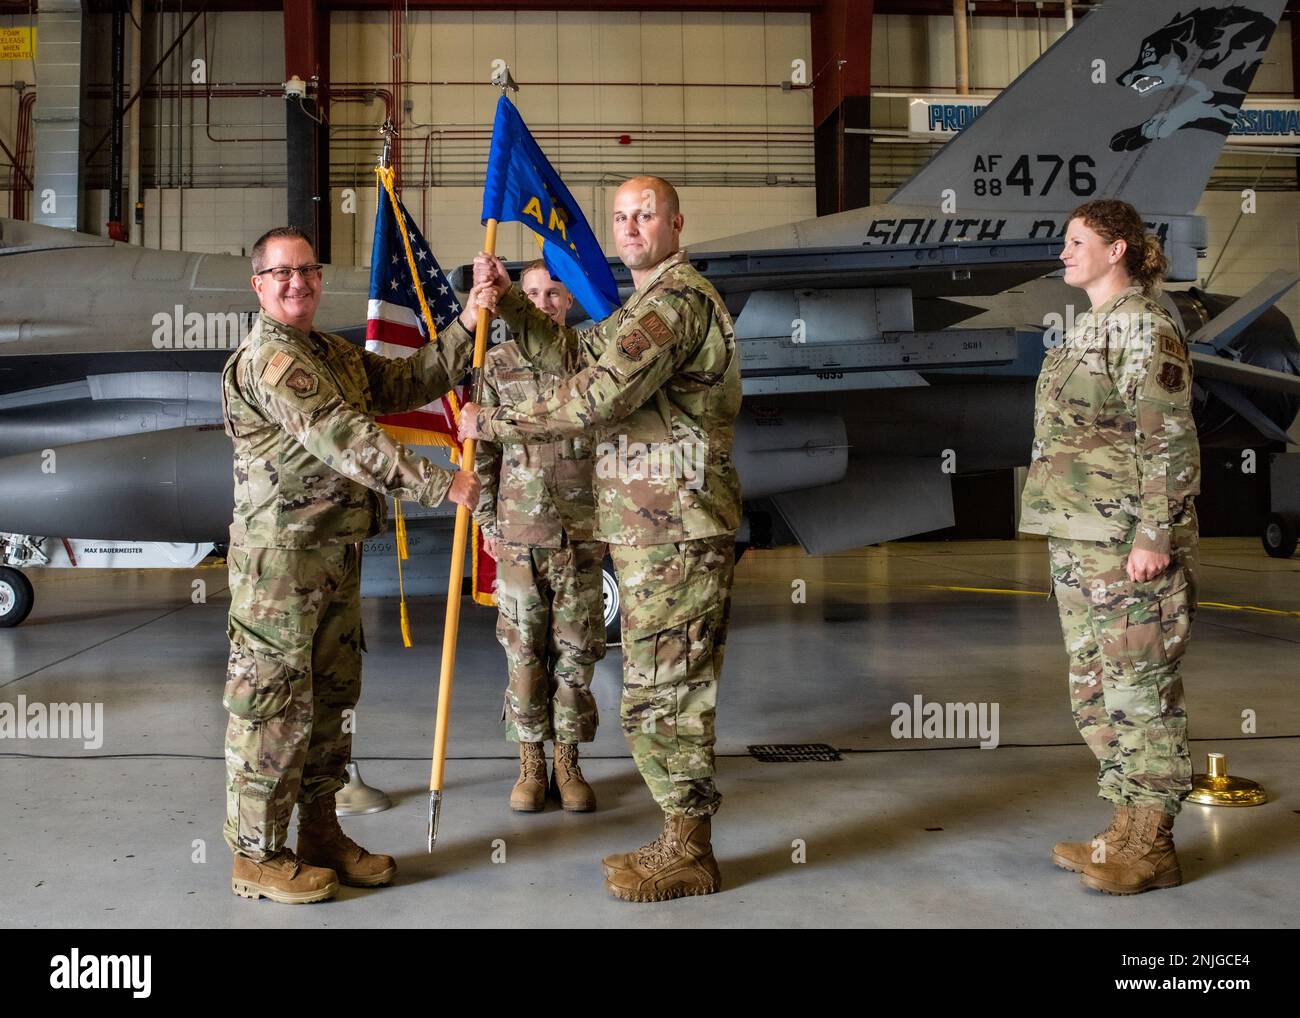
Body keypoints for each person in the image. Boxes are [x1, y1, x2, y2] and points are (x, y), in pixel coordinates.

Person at [458, 176, 741, 902]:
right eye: (621, 216)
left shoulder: (675, 303)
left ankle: (692, 851)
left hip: (677, 529)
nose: (631, 226)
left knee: (669, 693)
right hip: (654, 530)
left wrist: (496, 423)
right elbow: (571, 354)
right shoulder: (644, 306)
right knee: (652, 691)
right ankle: (680, 837)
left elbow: (598, 394)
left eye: (646, 214)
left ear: (677, 221)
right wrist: (513, 302)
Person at [221, 226, 482, 903]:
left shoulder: (331, 352)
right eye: (280, 273)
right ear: (258, 284)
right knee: (274, 709)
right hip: (279, 568)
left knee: (330, 704)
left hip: (333, 557)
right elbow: (344, 435)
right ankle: (257, 855)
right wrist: (436, 484)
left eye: (305, 270)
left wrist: (472, 322)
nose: (296, 283)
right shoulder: (273, 361)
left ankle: (319, 834)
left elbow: (404, 381)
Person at [1020, 199, 1200, 895]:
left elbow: (1168, 439)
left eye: (1075, 241)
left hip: (1127, 542)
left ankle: (1152, 846)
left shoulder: (1146, 329)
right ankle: (1124, 827)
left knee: (1141, 690)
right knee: (1097, 692)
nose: (1063, 252)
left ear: (1116, 248)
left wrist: (1155, 534)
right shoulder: (1092, 326)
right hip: (1080, 537)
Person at [473, 260, 606, 813]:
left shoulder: (591, 363)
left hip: (581, 532)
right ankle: (530, 763)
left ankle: (568, 763)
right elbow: (480, 454)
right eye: (531, 293)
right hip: (519, 535)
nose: (544, 302)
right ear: (514, 300)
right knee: (524, 651)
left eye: (553, 293)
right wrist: (486, 522)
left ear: (568, 301)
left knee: (576, 652)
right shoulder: (495, 365)